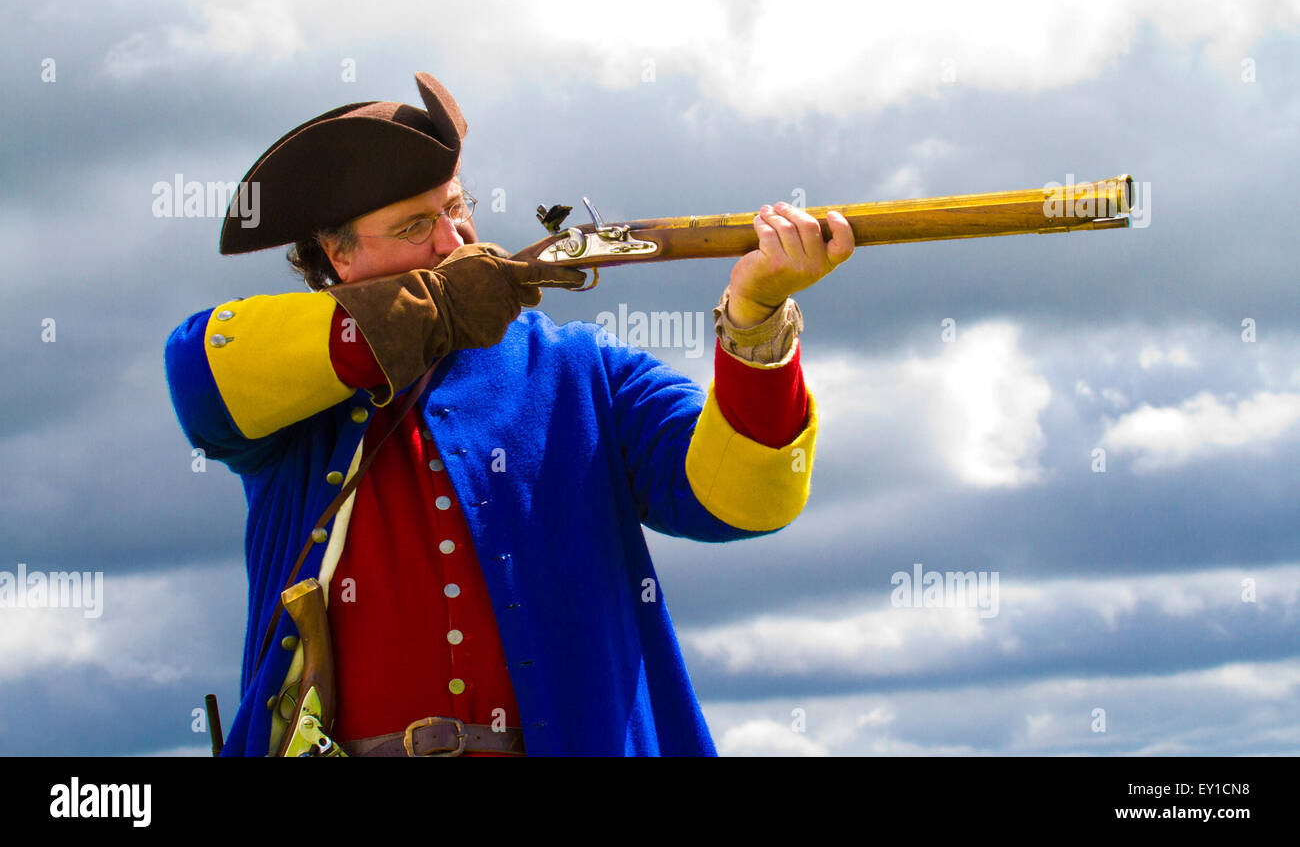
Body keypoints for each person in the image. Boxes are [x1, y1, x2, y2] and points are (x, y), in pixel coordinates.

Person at [163, 71, 853, 756]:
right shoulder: (295, 389)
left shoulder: (579, 370)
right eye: (413, 227)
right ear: (337, 255)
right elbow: (200, 368)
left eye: (455, 208)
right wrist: (430, 310)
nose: (452, 240)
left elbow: (741, 500)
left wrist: (756, 315)